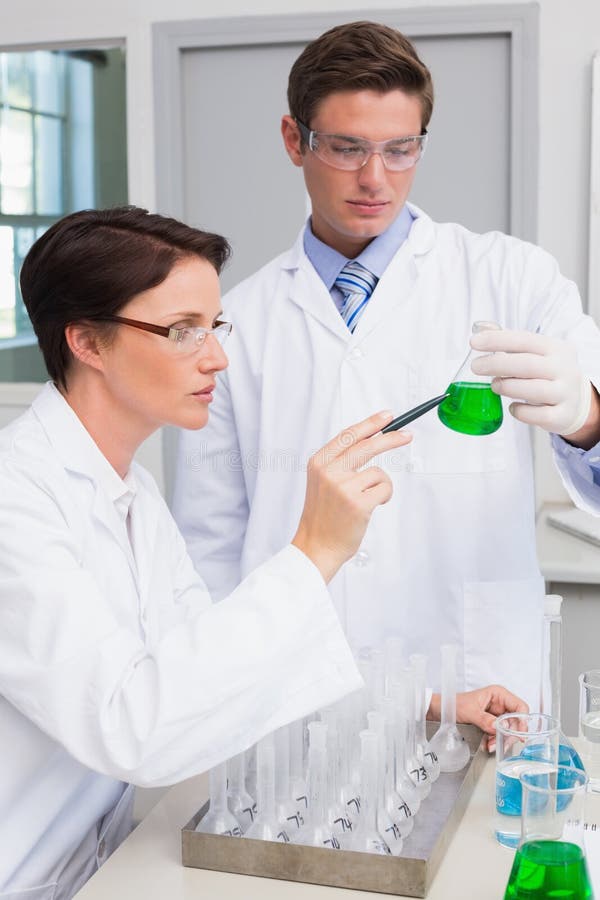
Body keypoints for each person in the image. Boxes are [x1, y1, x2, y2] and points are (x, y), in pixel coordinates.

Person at [172, 21, 600, 713]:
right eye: (347, 148)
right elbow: (210, 543)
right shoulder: (238, 322)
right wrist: (227, 698)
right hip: (296, 706)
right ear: (294, 140)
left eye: (400, 150)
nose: (375, 178)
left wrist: (588, 419)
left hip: (482, 688)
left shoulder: (512, 278)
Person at [0, 206, 409, 898]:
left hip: (98, 869)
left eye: (215, 326)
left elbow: (210, 675)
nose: (216, 355)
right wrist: (312, 552)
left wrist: (420, 706)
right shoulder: (15, 500)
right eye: (183, 330)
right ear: (87, 342)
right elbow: (134, 727)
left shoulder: (133, 491)